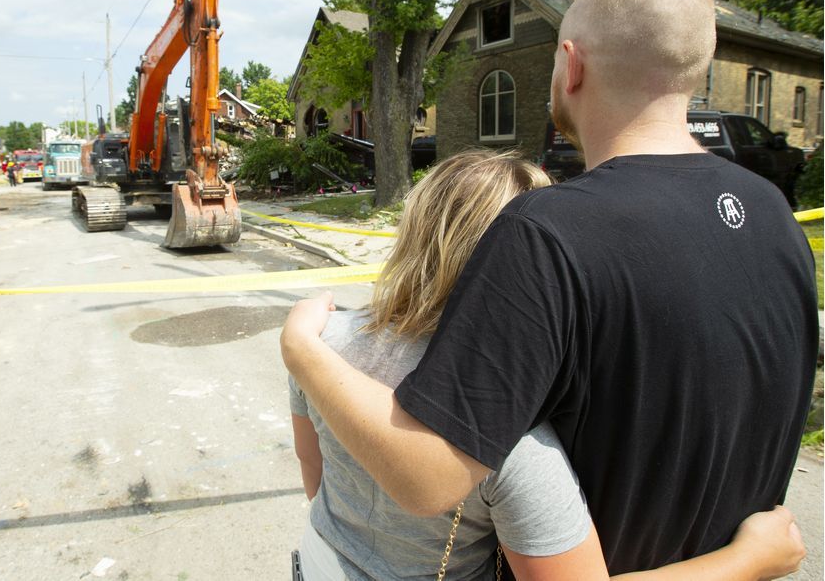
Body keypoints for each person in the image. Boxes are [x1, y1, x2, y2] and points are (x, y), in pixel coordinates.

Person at [280, 0, 819, 578]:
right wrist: (752, 560)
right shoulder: (776, 218)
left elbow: (429, 479)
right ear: (695, 67)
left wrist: (303, 348)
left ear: (570, 64)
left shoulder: (547, 234)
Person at [289, 150, 805, 581]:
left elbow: (315, 476)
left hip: (319, 560)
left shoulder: (322, 340)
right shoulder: (502, 427)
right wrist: (748, 559)